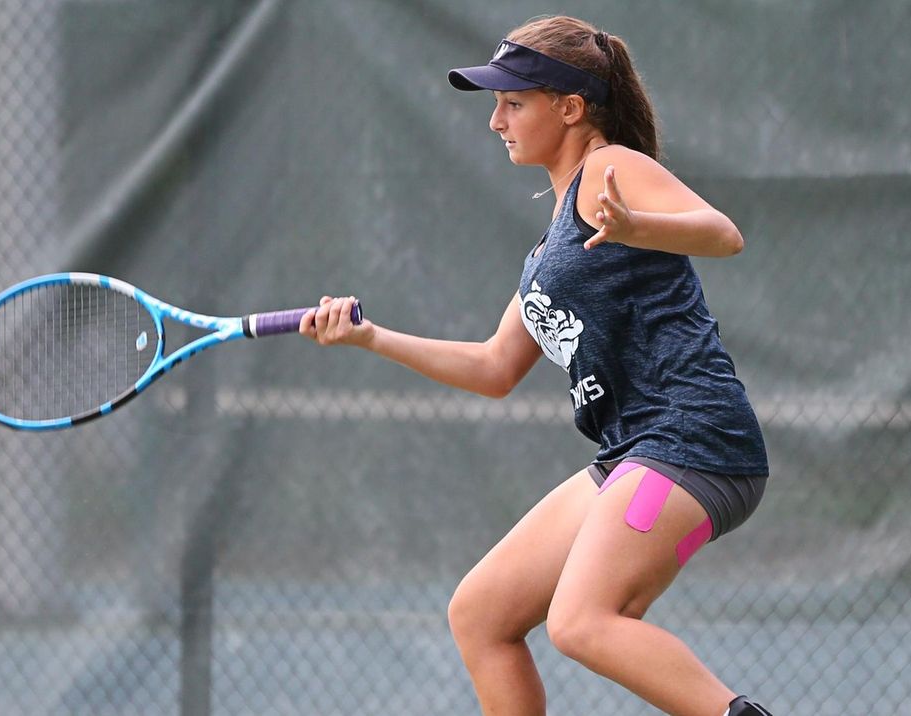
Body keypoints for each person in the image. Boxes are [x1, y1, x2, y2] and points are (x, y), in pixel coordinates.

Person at [299, 15, 774, 716]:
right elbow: (494, 367)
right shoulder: (546, 253)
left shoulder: (610, 171)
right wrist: (370, 338)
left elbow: (722, 235)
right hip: (634, 453)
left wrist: (642, 226)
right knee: (481, 616)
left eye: (513, 102)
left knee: (581, 621)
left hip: (695, 443)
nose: (496, 121)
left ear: (570, 107)